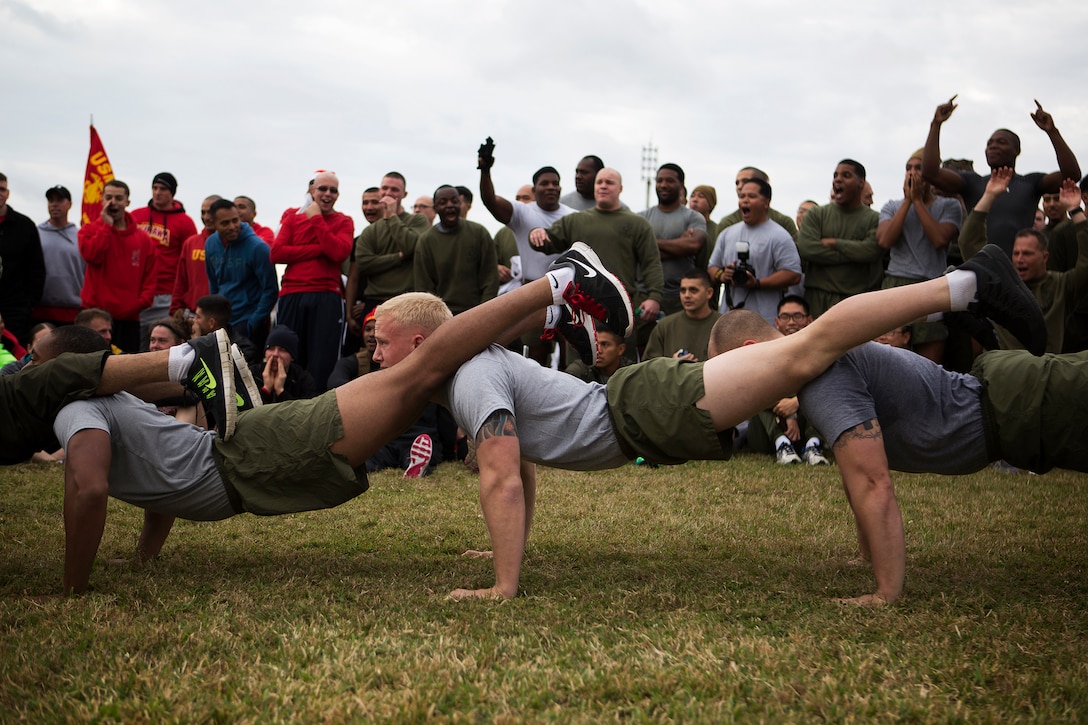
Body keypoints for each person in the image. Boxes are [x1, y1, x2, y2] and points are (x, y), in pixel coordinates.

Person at [373, 244, 1044, 600]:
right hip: (639, 408)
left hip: (641, 410)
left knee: (811, 346)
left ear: (419, 343)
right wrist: (500, 553)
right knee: (808, 352)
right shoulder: (474, 366)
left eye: (383, 342)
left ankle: (961, 285)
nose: (374, 355)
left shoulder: (466, 373)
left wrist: (504, 585)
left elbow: (500, 476)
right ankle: (961, 288)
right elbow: (516, 468)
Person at [42, 244, 632, 594]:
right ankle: (548, 308)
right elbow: (160, 477)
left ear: (66, 372)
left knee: (423, 369)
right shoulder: (107, 405)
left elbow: (90, 486)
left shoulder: (78, 407)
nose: (24, 370)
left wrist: (74, 586)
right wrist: (145, 556)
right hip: (247, 457)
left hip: (254, 454)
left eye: (35, 363)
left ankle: (558, 283)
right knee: (426, 368)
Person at [716, 310, 1088, 606]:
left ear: (748, 349)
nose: (727, 387)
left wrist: (885, 593)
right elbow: (853, 473)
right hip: (1017, 406)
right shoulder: (815, 367)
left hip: (1030, 406)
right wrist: (865, 555)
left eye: (724, 372)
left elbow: (873, 482)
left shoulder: (820, 380)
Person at [922, 96, 1081, 255]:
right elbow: (930, 173)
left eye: (1001, 142)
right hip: (981, 269)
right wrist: (936, 124)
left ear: (1016, 151)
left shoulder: (1031, 183)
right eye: (989, 144)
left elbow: (1072, 175)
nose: (993, 147)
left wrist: (1052, 131)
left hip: (1019, 269)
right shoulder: (972, 183)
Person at [962, 169, 1087, 353]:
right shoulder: (1001, 283)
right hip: (1006, 373)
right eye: (1016, 253)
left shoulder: (1063, 286)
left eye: (1027, 254)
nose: (1020, 259)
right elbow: (968, 242)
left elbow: (1086, 261)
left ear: (1045, 257)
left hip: (1045, 374)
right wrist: (988, 196)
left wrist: (1075, 210)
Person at [530, 168, 665, 334]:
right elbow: (546, 242)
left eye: (609, 182)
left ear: (620, 189)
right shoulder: (575, 220)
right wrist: (536, 233)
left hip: (620, 307)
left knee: (621, 358)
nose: (603, 186)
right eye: (599, 182)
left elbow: (651, 263)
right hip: (580, 309)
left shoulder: (638, 224)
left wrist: (654, 297)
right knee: (580, 360)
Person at [877, 150, 964, 363]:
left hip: (931, 287)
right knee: (887, 358)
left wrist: (918, 202)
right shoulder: (892, 206)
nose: (913, 174)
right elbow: (884, 241)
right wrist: (908, 201)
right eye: (909, 168)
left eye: (919, 169)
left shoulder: (949, 206)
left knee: (928, 364)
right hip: (896, 285)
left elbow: (939, 239)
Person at [271, 170, 354, 391]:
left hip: (327, 295)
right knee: (287, 359)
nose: (327, 194)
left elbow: (338, 253)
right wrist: (319, 250)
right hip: (291, 294)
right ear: (312, 191)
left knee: (324, 362)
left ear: (338, 194)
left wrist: (316, 218)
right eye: (322, 189)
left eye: (333, 190)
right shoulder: (292, 218)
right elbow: (276, 253)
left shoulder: (344, 221)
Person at [742, 295, 827, 466]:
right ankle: (782, 444)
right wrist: (789, 413)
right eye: (785, 317)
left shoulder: (822, 352)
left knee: (822, 398)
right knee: (758, 399)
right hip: (768, 431)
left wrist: (796, 403)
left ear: (810, 320)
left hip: (805, 428)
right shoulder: (763, 352)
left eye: (798, 316)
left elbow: (830, 389)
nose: (792, 322)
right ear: (777, 322)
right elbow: (752, 391)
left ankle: (813, 447)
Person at [78, 179, 158, 353]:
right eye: (108, 197)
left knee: (127, 371)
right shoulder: (89, 231)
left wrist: (137, 304)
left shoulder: (143, 240)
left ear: (127, 202)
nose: (112, 202)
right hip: (94, 316)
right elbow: (93, 256)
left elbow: (150, 279)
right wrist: (106, 227)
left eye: (118, 198)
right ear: (101, 200)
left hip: (128, 319)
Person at [709, 178, 802, 324]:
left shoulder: (779, 235)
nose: (745, 201)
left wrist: (757, 283)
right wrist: (722, 275)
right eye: (742, 196)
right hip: (729, 319)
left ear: (766, 203)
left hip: (765, 319)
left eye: (751, 196)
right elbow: (712, 267)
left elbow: (794, 274)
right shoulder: (727, 234)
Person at [796, 160, 881, 317]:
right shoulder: (816, 215)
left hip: (855, 299)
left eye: (846, 175)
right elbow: (807, 249)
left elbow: (870, 251)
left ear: (861, 183)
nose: (838, 179)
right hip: (817, 298)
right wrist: (854, 255)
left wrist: (835, 243)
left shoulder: (874, 219)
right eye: (835, 175)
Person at [350, 172, 430, 322]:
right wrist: (398, 257)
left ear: (404, 194)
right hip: (375, 301)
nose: (388, 193)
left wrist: (392, 216)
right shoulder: (370, 231)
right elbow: (364, 263)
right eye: (384, 188)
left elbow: (411, 246)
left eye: (394, 190)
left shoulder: (417, 220)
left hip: (407, 300)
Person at [131, 172, 198, 347]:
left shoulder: (185, 222)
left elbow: (188, 262)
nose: (157, 192)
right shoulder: (136, 216)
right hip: (137, 293)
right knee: (134, 345)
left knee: (161, 344)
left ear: (172, 193)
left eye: (162, 189)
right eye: (154, 188)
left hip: (166, 294)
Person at [204, 199, 279, 350]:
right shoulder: (210, 244)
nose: (232, 227)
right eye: (225, 223)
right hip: (222, 323)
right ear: (214, 224)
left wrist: (254, 322)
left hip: (248, 323)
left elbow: (270, 290)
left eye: (235, 220)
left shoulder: (258, 248)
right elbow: (213, 283)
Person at [413, 185, 498, 314]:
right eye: (443, 202)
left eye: (455, 201)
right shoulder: (426, 241)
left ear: (461, 204)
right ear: (435, 208)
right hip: (442, 315)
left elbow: (490, 277)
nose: (449, 205)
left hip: (477, 312)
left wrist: (483, 311)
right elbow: (423, 286)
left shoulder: (479, 233)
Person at [639, 163, 708, 316]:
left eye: (669, 181)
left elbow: (694, 244)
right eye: (659, 180)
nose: (663, 185)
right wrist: (679, 245)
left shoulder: (693, 217)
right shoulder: (641, 218)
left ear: (681, 186)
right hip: (645, 296)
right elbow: (636, 253)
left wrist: (649, 244)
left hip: (681, 298)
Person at [0, 172, 46, 344]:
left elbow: (37, 268)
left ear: (8, 193)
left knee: (15, 355)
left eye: (2, 189)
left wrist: (29, 303)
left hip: (16, 308)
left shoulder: (25, 226)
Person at [643, 268, 720, 361]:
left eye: (693, 290)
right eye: (683, 290)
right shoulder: (664, 326)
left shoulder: (722, 325)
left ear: (709, 293)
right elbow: (647, 367)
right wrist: (671, 365)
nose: (687, 295)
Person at [34, 185, 84, 327]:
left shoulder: (80, 236)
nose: (54, 204)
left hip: (72, 309)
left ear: (69, 204)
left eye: (59, 200)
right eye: (51, 200)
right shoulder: (36, 234)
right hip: (39, 309)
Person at [170, 194, 222, 318]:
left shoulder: (230, 245)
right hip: (194, 314)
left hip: (221, 314)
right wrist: (175, 309)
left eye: (210, 212)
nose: (206, 217)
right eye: (203, 212)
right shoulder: (191, 243)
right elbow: (181, 281)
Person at [253, 325, 316, 403]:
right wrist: (266, 389)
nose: (275, 354)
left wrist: (280, 392)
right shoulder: (252, 374)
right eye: (271, 348)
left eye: (282, 350)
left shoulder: (303, 380)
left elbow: (302, 413)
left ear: (292, 357)